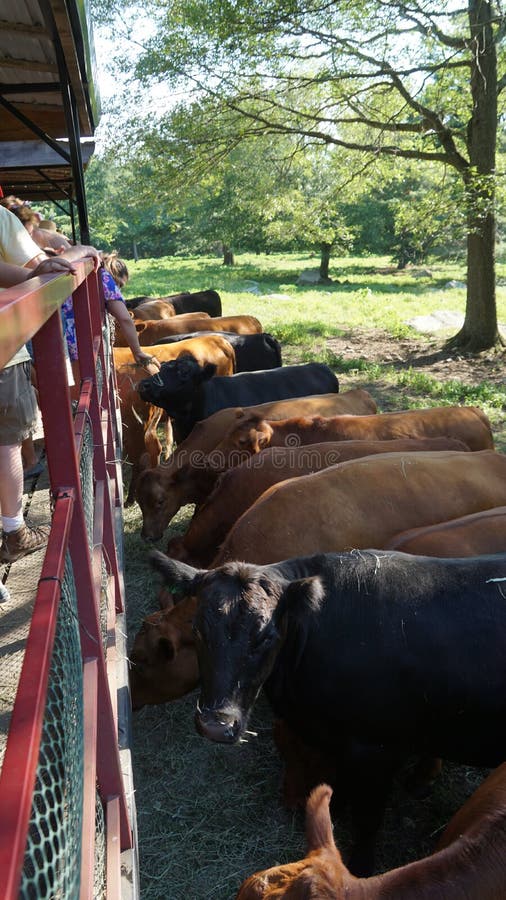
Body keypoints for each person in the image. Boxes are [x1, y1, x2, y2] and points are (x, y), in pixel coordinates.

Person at [0, 204, 99, 563]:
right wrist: (74, 253)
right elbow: (42, 267)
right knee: (7, 441)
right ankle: (15, 531)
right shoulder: (2, 219)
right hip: (4, 349)